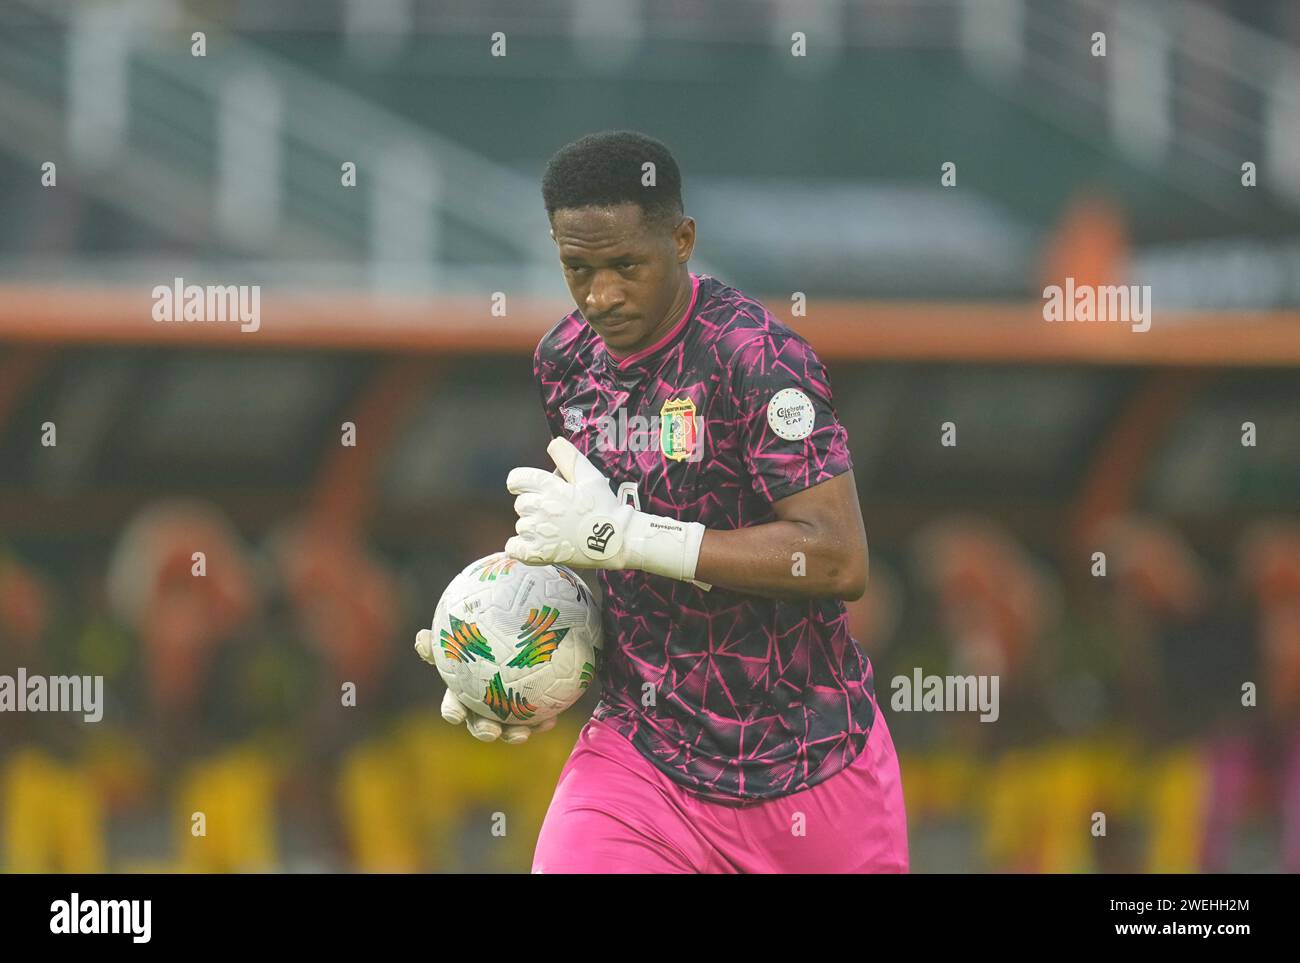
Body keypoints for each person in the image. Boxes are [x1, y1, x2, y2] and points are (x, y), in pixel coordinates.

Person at [440, 130, 906, 873]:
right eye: (577, 268)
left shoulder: (756, 359)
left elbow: (837, 556)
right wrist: (494, 644)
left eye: (627, 265)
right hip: (640, 758)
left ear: (682, 239)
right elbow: (594, 548)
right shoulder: (564, 363)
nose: (601, 294)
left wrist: (634, 535)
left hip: (809, 764)